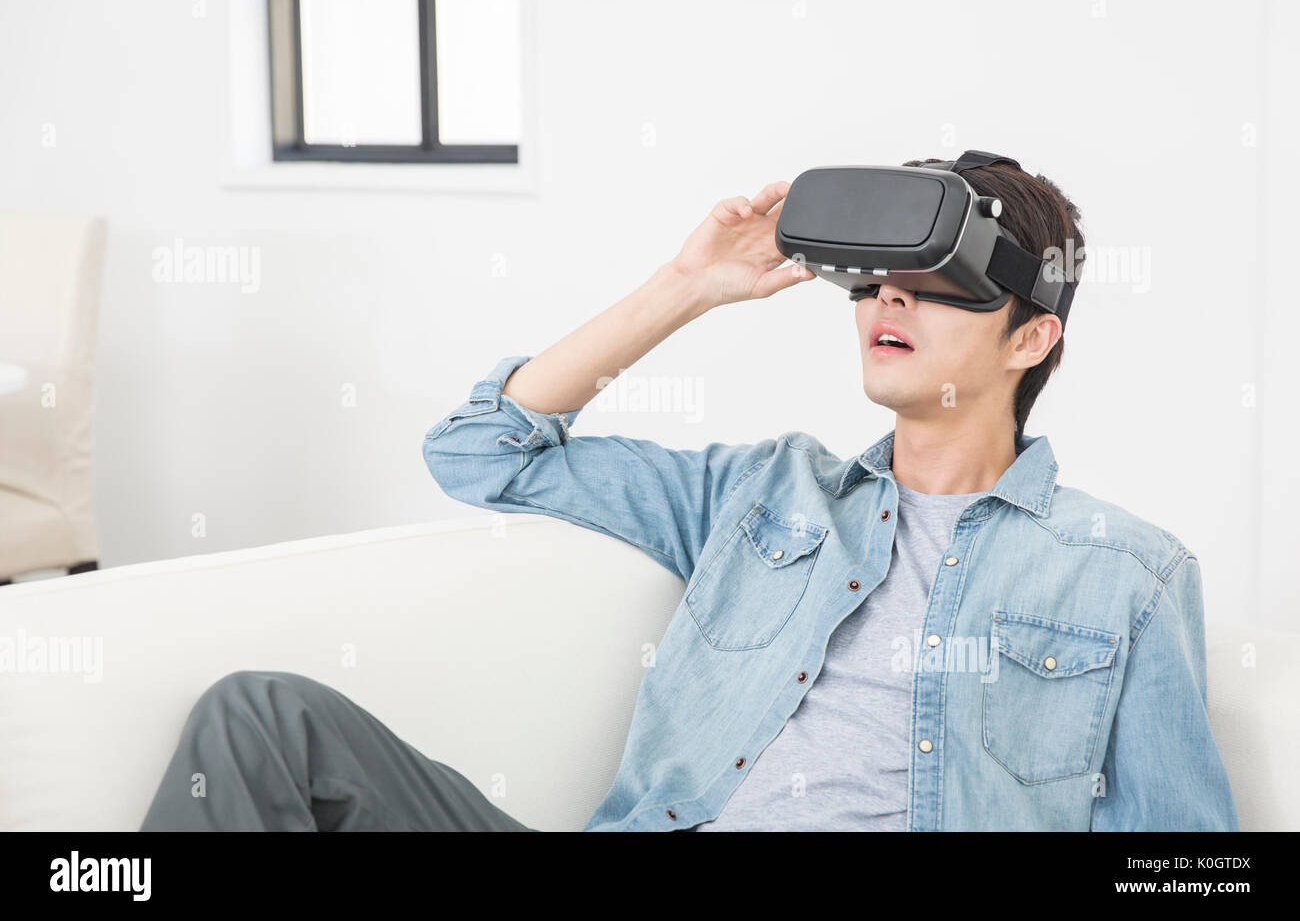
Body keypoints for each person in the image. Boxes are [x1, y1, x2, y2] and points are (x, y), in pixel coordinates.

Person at [141, 156, 1239, 832]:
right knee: (263, 720)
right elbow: (483, 451)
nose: (887, 304)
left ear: (1031, 338)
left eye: (937, 290)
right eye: (874, 281)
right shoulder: (764, 494)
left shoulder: (1126, 573)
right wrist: (690, 285)